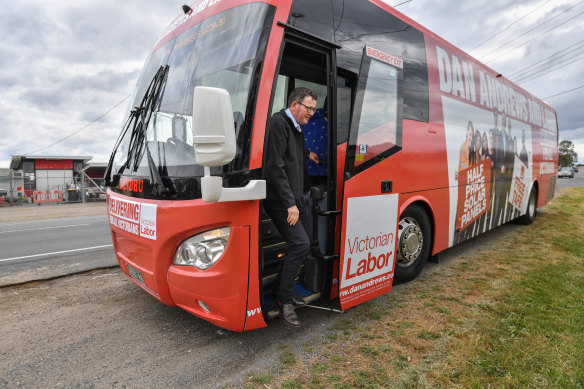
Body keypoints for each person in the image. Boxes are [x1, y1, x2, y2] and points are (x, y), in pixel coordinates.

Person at [263, 87, 320, 327]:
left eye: (314, 109)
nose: (312, 114)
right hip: (281, 201)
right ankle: (283, 300)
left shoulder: (296, 127)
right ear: (294, 105)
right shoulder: (279, 123)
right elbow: (274, 166)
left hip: (298, 198)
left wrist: (308, 154)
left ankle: (280, 291)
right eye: (309, 108)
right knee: (300, 244)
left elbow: (291, 154)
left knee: (306, 243)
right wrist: (289, 204)